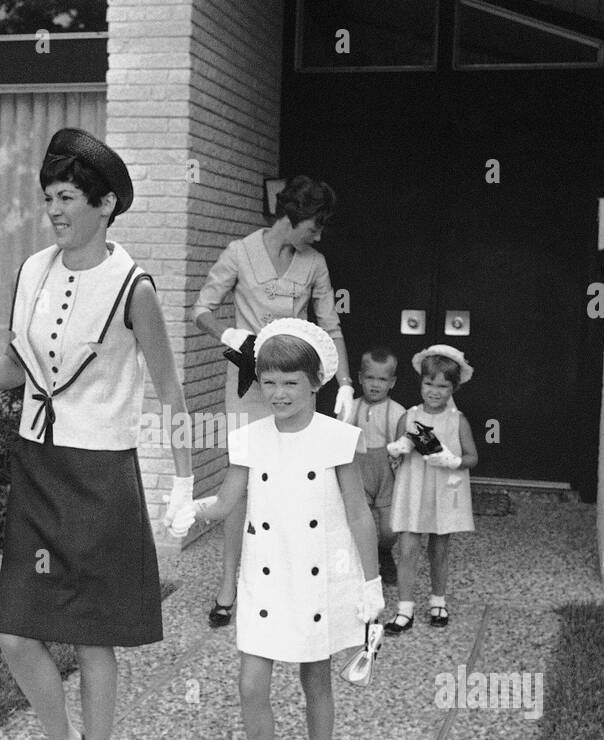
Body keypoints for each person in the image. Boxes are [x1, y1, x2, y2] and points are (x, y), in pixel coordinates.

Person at [0, 128, 195, 740]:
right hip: (36, 468)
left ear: (104, 205)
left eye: (66, 198)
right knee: (15, 635)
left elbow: (170, 392)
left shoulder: (134, 288)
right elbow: (17, 365)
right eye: (48, 199)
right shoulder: (32, 270)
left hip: (99, 477)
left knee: (94, 641)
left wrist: (184, 486)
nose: (53, 211)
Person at [174, 317, 383, 740]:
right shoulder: (249, 439)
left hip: (315, 573)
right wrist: (190, 510)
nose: (279, 393)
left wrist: (372, 584)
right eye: (269, 382)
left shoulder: (338, 439)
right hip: (266, 573)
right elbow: (227, 504)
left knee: (315, 679)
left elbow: (359, 514)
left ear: (315, 383)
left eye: (291, 382)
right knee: (250, 684)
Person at [190, 176, 355, 629]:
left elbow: (330, 323)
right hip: (248, 383)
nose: (318, 236)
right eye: (314, 226)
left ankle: (290, 582)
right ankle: (229, 585)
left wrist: (344, 382)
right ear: (291, 216)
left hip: (296, 384)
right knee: (241, 479)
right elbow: (201, 307)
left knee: (294, 481)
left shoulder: (314, 263)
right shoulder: (239, 252)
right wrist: (225, 332)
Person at [383, 345, 479, 633]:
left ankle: (438, 600)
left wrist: (454, 460)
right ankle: (405, 608)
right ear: (420, 382)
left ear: (453, 388)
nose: (434, 391)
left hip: (442, 490)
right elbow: (398, 450)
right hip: (414, 488)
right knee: (408, 547)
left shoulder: (457, 420)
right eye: (429, 384)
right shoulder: (409, 418)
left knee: (439, 548)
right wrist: (397, 451)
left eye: (442, 386)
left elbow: (473, 457)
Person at [343, 346, 407, 582]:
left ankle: (384, 550)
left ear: (392, 382)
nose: (375, 384)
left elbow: (403, 446)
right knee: (361, 522)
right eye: (370, 377)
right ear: (360, 378)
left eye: (382, 379)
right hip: (359, 472)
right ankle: (365, 563)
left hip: (386, 475)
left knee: (390, 529)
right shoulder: (352, 408)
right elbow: (342, 440)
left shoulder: (398, 412)